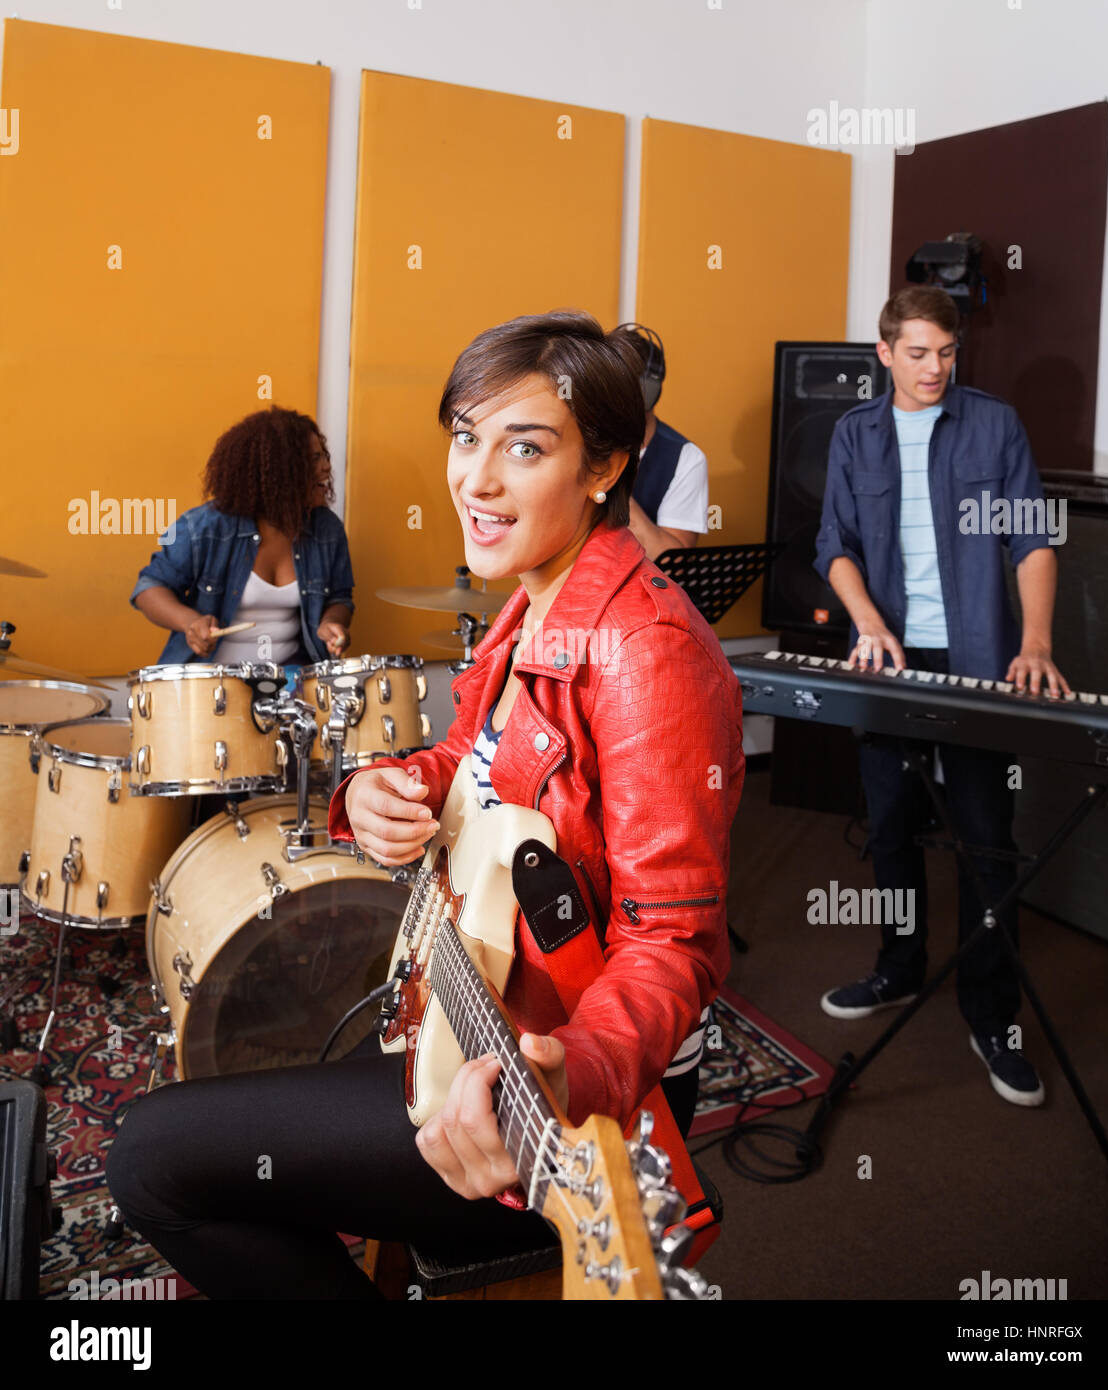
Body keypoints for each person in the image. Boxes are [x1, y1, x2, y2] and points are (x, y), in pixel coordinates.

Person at [105, 309, 745, 1298]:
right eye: (465, 437)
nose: (476, 480)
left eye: (523, 448)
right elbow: (466, 758)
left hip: (560, 1090)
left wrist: (566, 1069)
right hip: (472, 993)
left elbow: (675, 946)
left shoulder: (646, 652)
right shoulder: (535, 598)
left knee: (150, 1160)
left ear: (606, 464)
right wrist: (373, 788)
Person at [814, 285, 1069, 1107]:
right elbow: (836, 548)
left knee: (986, 837)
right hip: (889, 657)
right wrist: (865, 625)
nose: (935, 368)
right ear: (884, 353)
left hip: (978, 656)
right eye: (918, 353)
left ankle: (992, 1014)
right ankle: (898, 965)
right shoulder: (854, 433)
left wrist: (1034, 643)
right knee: (889, 824)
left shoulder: (993, 424)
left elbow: (1032, 538)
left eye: (947, 353)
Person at [130, 406, 353, 670]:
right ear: (279, 473)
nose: (326, 467)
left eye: (323, 456)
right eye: (314, 459)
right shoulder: (205, 527)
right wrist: (190, 622)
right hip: (211, 681)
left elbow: (340, 597)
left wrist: (330, 623)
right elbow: (149, 588)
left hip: (290, 679)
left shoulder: (326, 530)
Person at [609, 323, 709, 559]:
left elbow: (673, 561)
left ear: (649, 389)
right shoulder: (576, 440)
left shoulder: (685, 458)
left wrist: (612, 488)